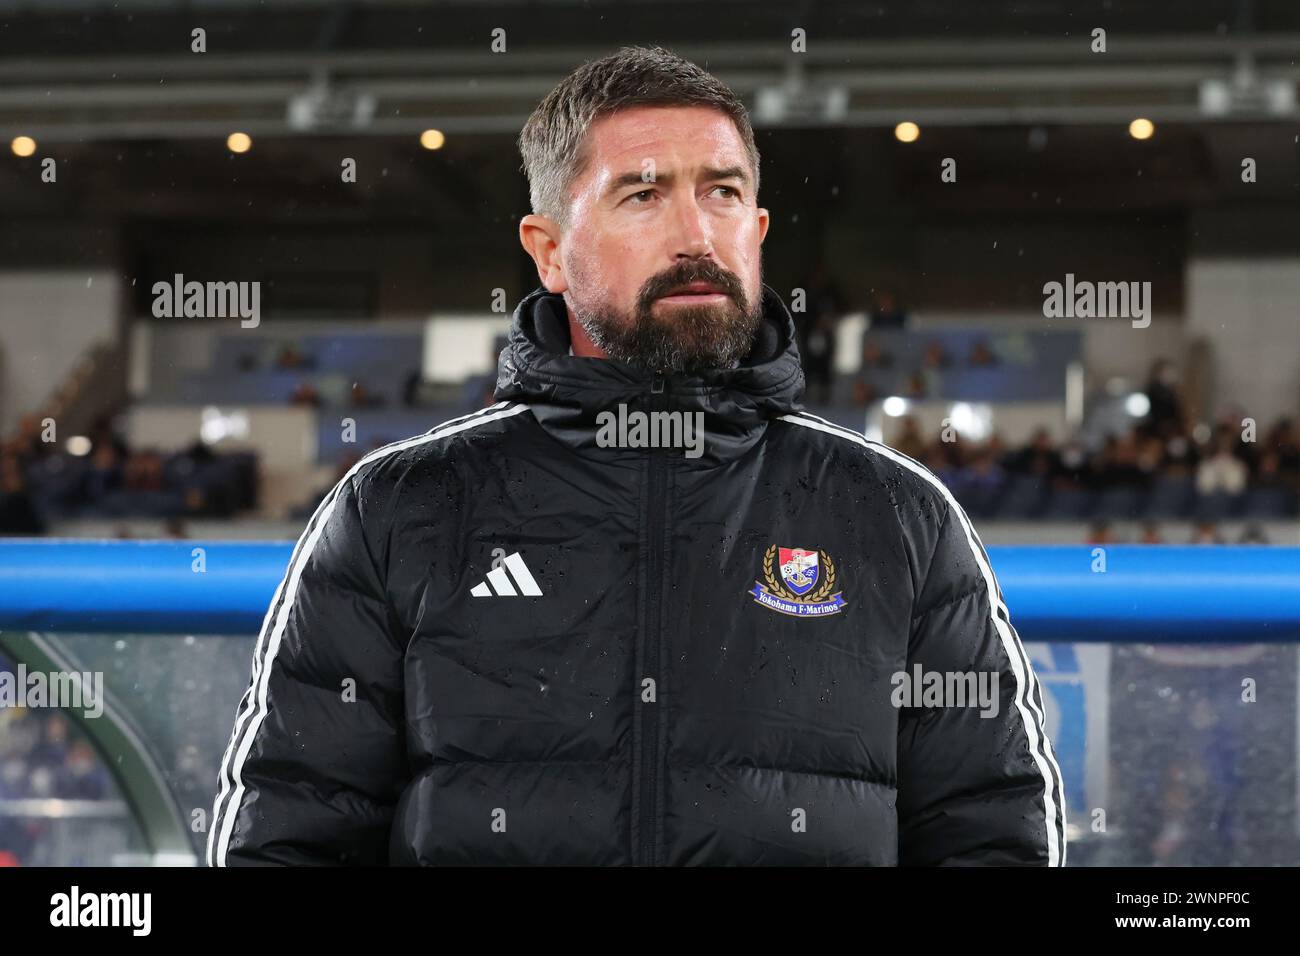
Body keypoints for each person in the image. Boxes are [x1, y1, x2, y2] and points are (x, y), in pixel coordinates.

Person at [208, 45, 1065, 867]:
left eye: (723, 193)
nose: (695, 233)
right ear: (548, 251)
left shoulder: (895, 513)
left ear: (758, 228)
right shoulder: (397, 509)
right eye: (643, 195)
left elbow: (993, 834)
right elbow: (286, 838)